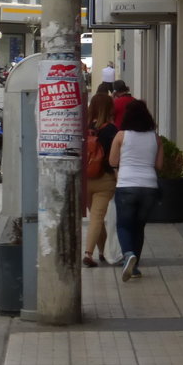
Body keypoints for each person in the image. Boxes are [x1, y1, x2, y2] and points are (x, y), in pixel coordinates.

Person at [109, 98, 163, 282]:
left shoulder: (121, 136)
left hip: (126, 185)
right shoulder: (155, 137)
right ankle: (135, 266)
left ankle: (128, 254)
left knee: (124, 225)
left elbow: (112, 162)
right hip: (149, 186)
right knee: (139, 227)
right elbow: (159, 165)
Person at [83, 92, 119, 267]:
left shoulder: (83, 127)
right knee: (98, 217)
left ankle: (102, 251)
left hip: (86, 178)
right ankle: (89, 253)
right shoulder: (112, 131)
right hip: (105, 178)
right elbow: (116, 157)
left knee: (96, 217)